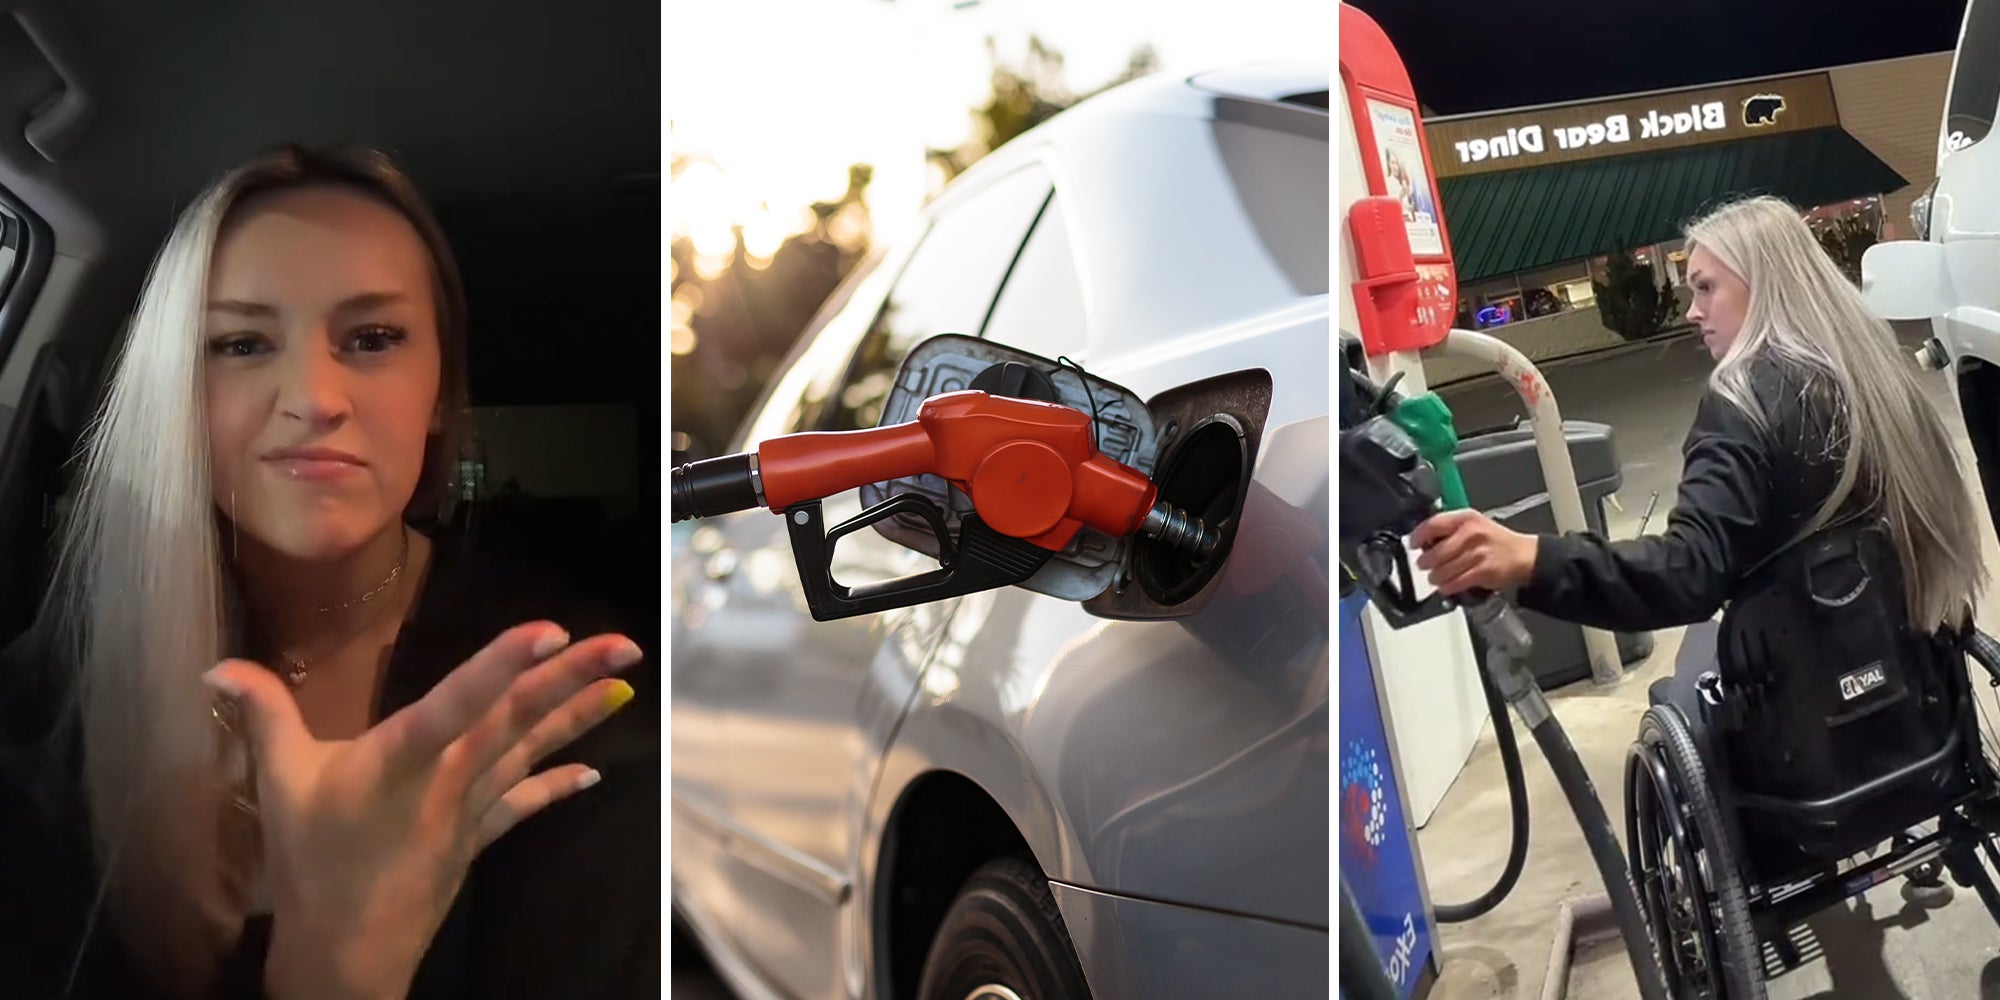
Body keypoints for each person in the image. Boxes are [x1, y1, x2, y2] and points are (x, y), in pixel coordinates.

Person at [0, 145, 659, 999]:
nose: (314, 397)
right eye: (241, 343)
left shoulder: (563, 696)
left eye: (373, 338)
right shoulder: (46, 701)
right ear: (176, 391)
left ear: (440, 390)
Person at [1412, 195, 1985, 693]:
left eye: (1706, 287)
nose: (1692, 311)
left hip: (1812, 701)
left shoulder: (1744, 402)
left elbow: (1689, 573)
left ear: (1766, 285)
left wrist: (1530, 557)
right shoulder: (1872, 375)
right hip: (1919, 675)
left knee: (1680, 689)